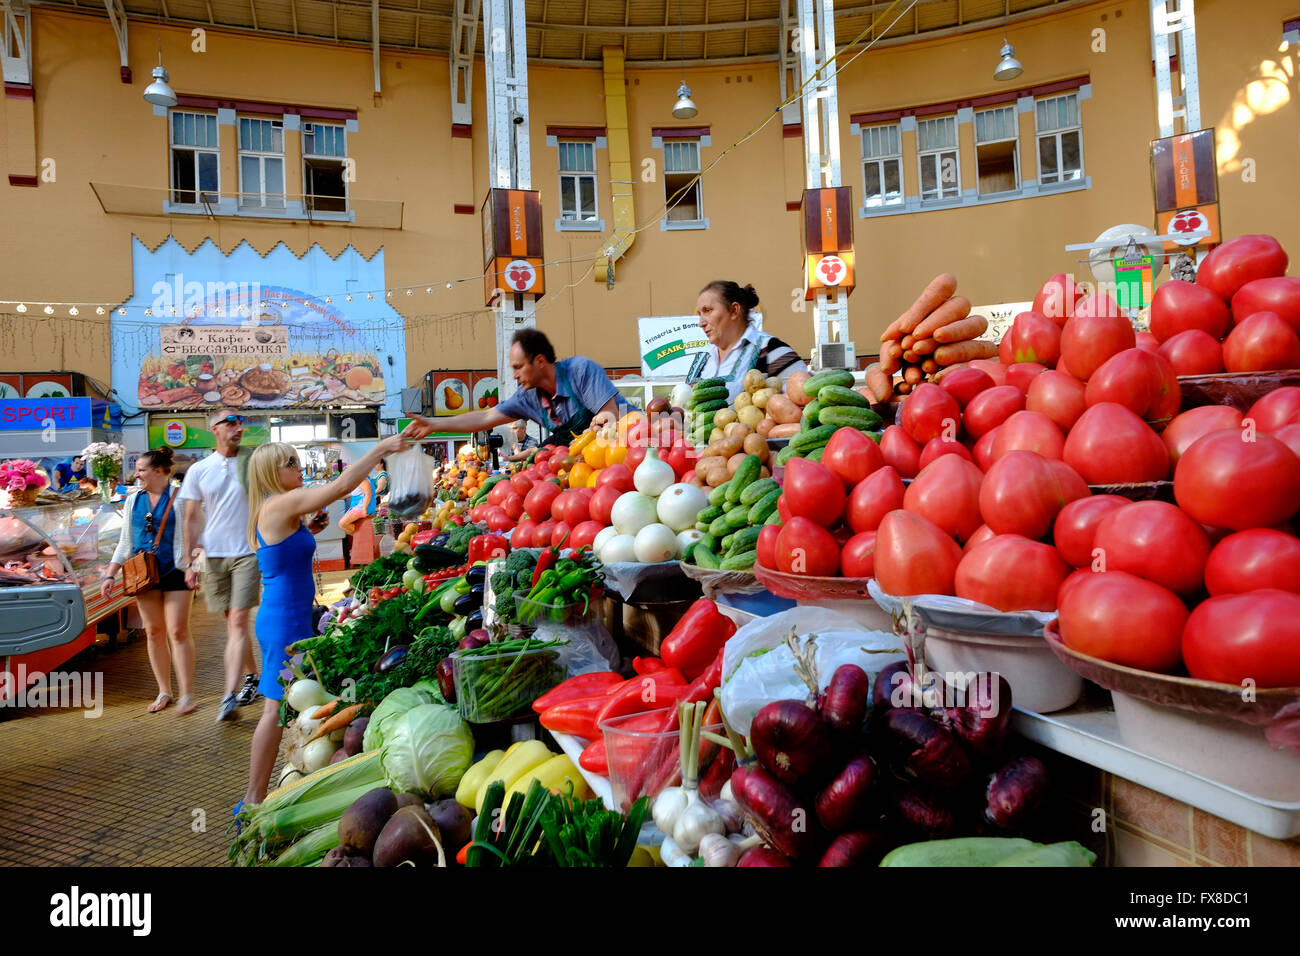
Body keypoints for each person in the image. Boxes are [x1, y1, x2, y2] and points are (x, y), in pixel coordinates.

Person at [238, 434, 406, 809]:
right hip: (284, 623)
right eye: (291, 464)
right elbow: (343, 486)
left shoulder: (278, 509)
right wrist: (379, 450)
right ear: (271, 472)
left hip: (287, 616)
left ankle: (270, 788)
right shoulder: (281, 504)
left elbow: (282, 555)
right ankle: (251, 799)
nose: (299, 469)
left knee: (284, 704)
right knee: (273, 708)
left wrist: (307, 533)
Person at [179, 409, 267, 722]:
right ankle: (251, 678)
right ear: (214, 429)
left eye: (240, 423)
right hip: (214, 555)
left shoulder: (254, 462)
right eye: (231, 423)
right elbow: (191, 518)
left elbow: (273, 497)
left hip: (247, 551)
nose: (238, 428)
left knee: (240, 620)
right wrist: (191, 562)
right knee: (231, 622)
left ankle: (227, 696)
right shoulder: (199, 470)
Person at [403, 328, 625, 446]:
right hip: (589, 461)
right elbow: (484, 418)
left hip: (629, 444)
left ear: (539, 361)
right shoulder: (527, 398)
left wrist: (592, 432)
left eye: (518, 367)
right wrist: (434, 424)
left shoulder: (580, 370)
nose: (515, 375)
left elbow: (610, 415)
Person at [101, 448, 197, 714]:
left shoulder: (181, 497)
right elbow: (124, 542)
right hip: (143, 571)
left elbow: (198, 537)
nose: (136, 474)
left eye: (141, 469)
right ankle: (164, 690)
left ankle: (187, 693)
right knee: (153, 631)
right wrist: (111, 574)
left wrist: (195, 566)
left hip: (177, 570)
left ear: (158, 471)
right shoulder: (133, 500)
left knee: (178, 630)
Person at [691, 281, 809, 400]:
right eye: (699, 314)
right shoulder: (702, 358)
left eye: (708, 311)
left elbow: (807, 395)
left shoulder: (770, 349)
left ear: (734, 310)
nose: (701, 323)